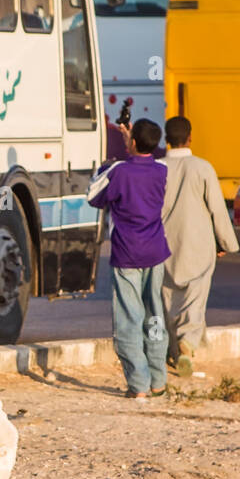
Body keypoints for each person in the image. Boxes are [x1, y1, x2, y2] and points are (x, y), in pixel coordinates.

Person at [87, 117, 170, 400]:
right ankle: (159, 379)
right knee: (154, 313)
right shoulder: (162, 170)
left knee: (128, 318)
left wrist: (113, 161)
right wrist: (131, 145)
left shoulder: (118, 171)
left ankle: (139, 384)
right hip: (156, 250)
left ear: (133, 141)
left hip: (126, 254)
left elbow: (93, 195)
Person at [160, 114, 239, 376]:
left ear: (166, 139)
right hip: (198, 243)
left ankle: (173, 348)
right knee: (194, 297)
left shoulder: (158, 168)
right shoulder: (202, 167)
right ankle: (188, 344)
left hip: (164, 243)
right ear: (190, 137)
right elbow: (217, 209)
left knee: (168, 297)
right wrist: (226, 241)